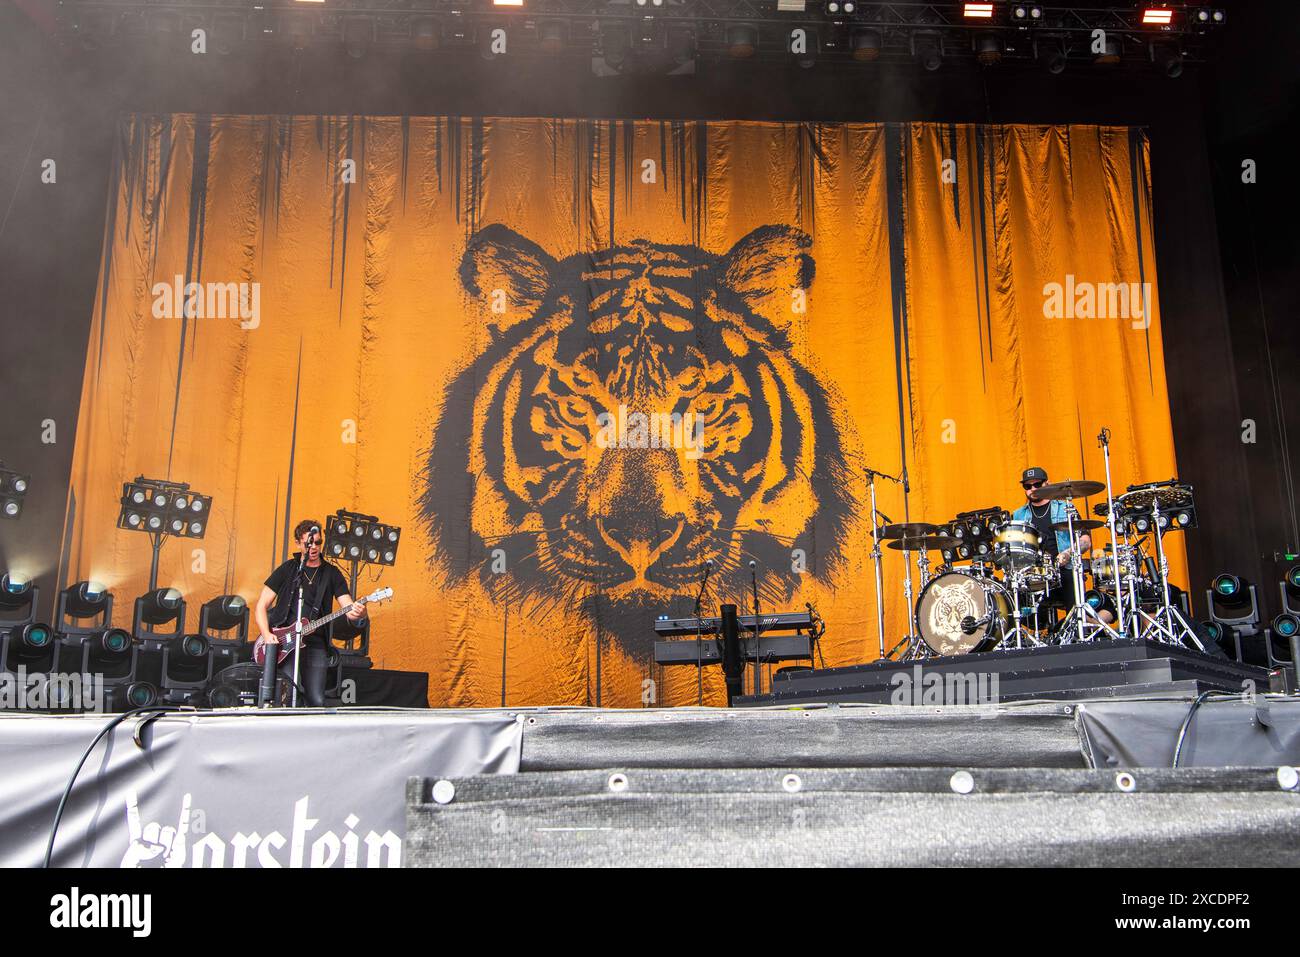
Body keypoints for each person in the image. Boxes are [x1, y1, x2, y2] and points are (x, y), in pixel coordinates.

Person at [254, 520, 367, 706]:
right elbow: (261, 606)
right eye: (309, 543)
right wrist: (267, 635)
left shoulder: (331, 573)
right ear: (298, 543)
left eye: (318, 543)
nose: (314, 547)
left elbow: (348, 608)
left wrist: (359, 611)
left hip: (315, 643)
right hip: (285, 643)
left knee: (316, 699)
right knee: (286, 697)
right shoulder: (288, 569)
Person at [1012, 467, 1093, 628]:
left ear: (1047, 483)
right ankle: (1036, 635)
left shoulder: (1064, 508)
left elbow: (1085, 540)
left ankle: (1076, 631)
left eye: (1037, 484)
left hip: (1064, 568)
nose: (1032, 489)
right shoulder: (1018, 515)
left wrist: (1068, 553)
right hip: (1034, 572)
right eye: (1028, 486)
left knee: (1071, 578)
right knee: (1012, 587)